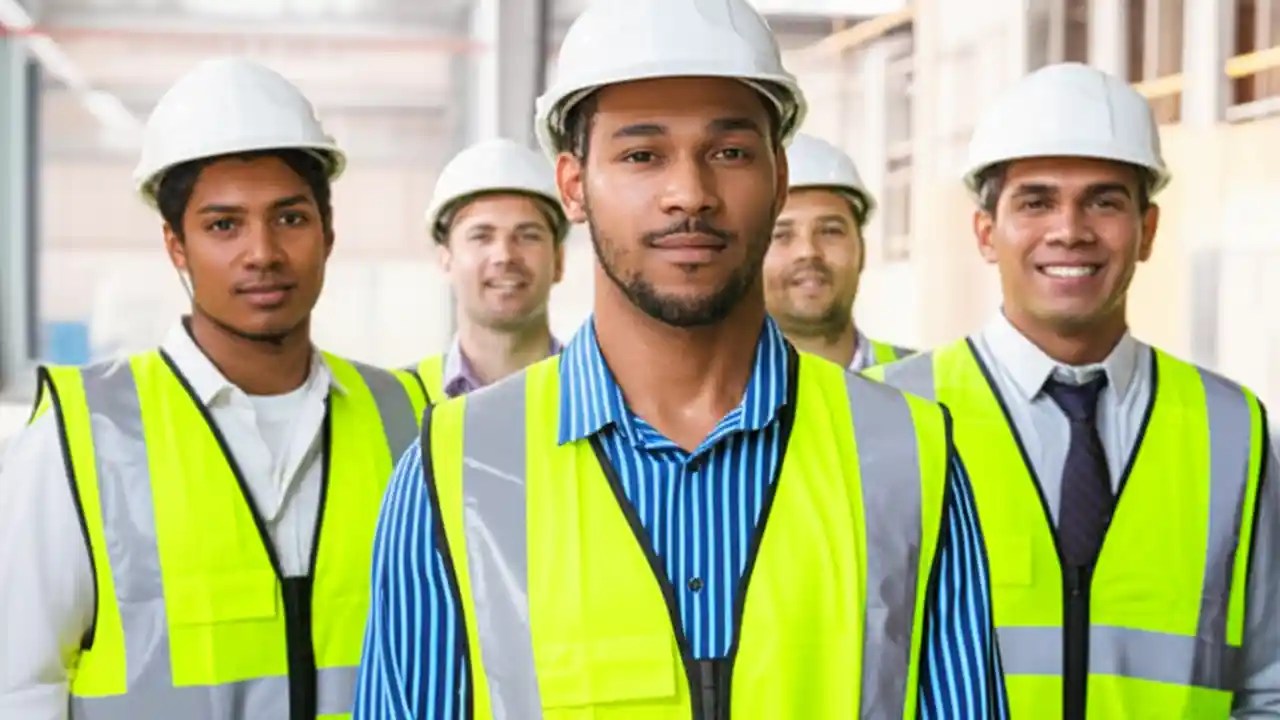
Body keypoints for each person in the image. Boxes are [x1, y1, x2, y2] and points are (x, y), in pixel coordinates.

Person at [354, 0, 1007, 717]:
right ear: (573, 185)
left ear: (779, 174)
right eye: (642, 155)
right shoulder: (455, 470)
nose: (690, 195)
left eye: (728, 153)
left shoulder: (908, 455)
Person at [0, 57, 426, 719]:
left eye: (289, 219)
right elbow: (17, 683)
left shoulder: (407, 418)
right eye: (224, 225)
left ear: (328, 234)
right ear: (176, 245)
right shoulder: (80, 435)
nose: (262, 252)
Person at [867, 62, 1280, 718]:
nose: (1070, 230)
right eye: (1036, 201)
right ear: (985, 233)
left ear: (1147, 230)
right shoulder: (883, 413)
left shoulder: (1233, 427)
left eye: (1104, 200)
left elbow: (1268, 685)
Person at [412, 138, 568, 402]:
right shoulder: (398, 403)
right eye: (481, 236)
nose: (505, 256)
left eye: (528, 236)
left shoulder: (605, 397)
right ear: (445, 259)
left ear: (559, 260)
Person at [764, 132, 914, 371]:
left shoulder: (928, 387)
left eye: (830, 231)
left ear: (862, 249)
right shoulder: (708, 398)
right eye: (781, 234)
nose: (808, 251)